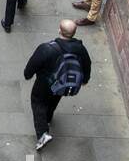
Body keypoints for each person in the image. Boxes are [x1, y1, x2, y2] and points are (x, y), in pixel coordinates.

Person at [24, 19, 92, 150]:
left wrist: (28, 74)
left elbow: (33, 64)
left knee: (38, 103)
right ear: (73, 33)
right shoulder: (80, 48)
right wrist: (85, 80)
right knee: (54, 99)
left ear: (60, 30)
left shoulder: (47, 48)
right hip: (63, 84)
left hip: (45, 84)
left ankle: (42, 133)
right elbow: (87, 64)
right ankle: (48, 118)